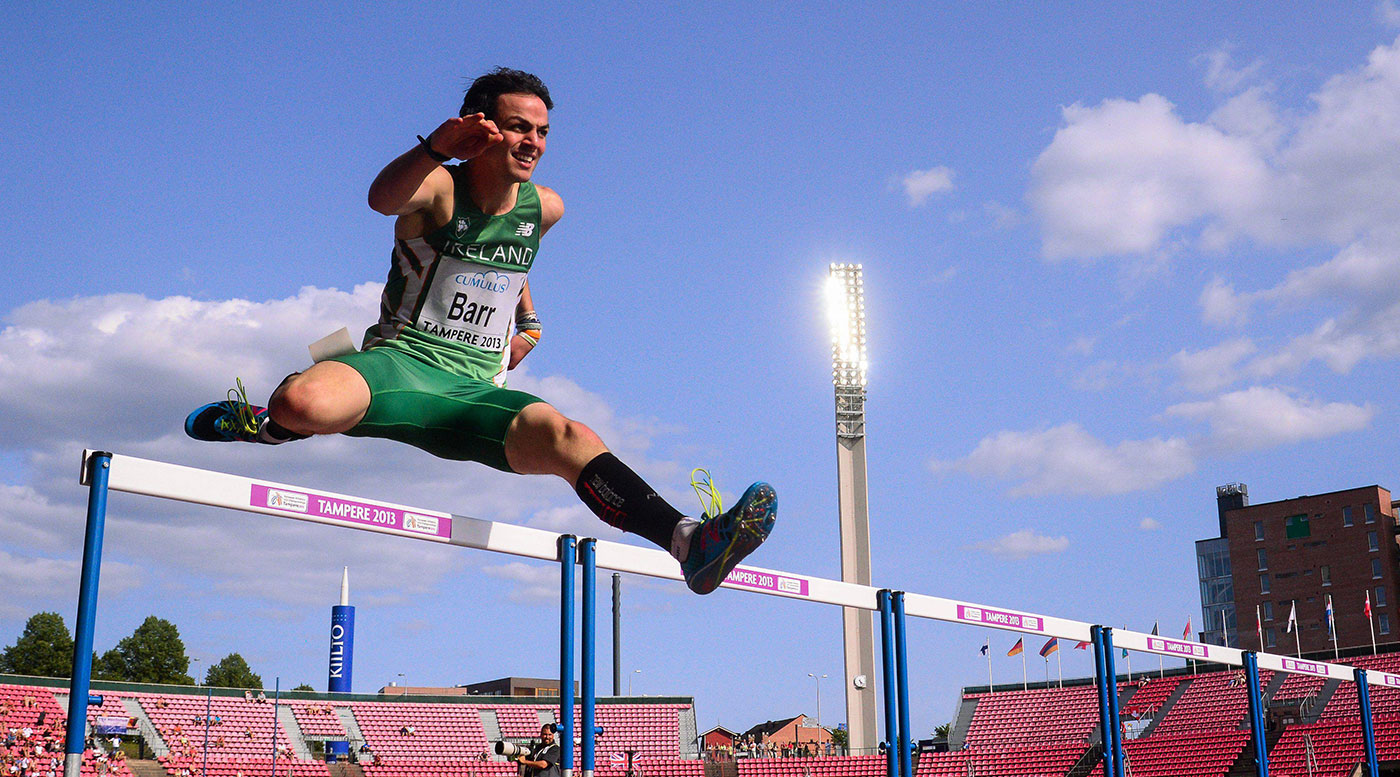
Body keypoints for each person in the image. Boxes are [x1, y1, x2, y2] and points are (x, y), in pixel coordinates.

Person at [183, 67, 776, 595]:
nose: (534, 143)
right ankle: (265, 425)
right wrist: (436, 147)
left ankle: (688, 544)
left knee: (567, 435)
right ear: (481, 130)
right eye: (519, 128)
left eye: (542, 132)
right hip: (400, 366)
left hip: (476, 395)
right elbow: (380, 199)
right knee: (300, 401)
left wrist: (530, 325)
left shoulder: (544, 208)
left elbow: (508, 269)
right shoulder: (441, 188)